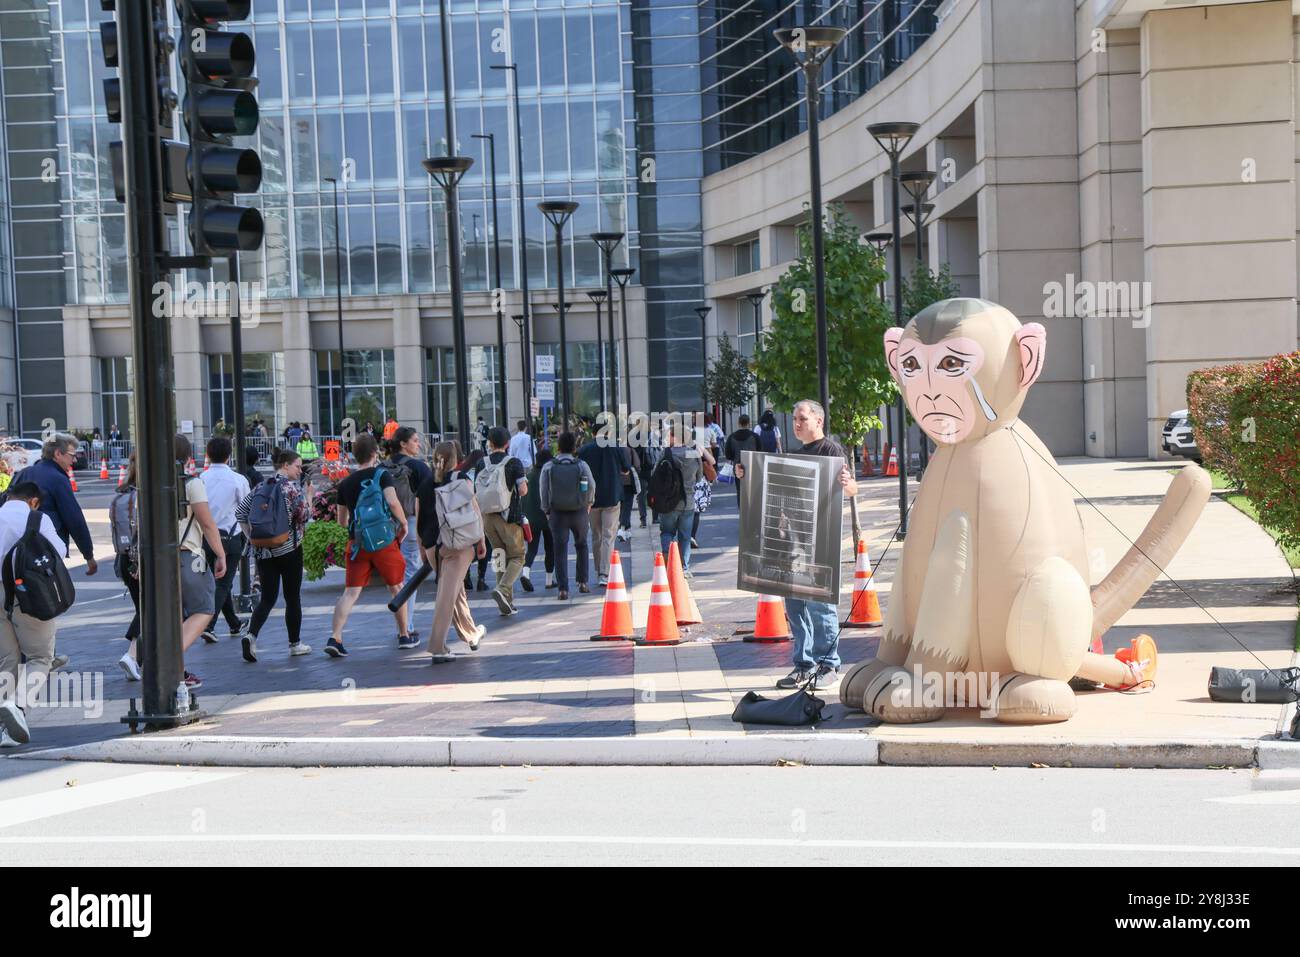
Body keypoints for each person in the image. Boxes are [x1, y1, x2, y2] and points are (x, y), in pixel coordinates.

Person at [735, 400, 857, 691]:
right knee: (796, 606)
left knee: (820, 606)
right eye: (794, 419)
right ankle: (804, 665)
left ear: (819, 421)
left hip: (819, 543)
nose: (796, 424)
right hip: (793, 541)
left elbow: (853, 489)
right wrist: (745, 474)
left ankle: (828, 665)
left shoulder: (832, 451)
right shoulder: (796, 455)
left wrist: (846, 484)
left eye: (802, 418)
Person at [118, 434, 227, 689]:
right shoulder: (191, 484)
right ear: (188, 457)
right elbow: (207, 523)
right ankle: (168, 661)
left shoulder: (147, 484)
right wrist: (220, 553)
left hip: (153, 559)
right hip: (186, 556)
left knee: (167, 614)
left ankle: (136, 655)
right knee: (204, 609)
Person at [325, 433, 411, 657]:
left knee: (350, 592)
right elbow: (392, 502)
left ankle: (335, 638)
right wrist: (403, 523)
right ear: (375, 453)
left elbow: (342, 521)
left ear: (355, 455)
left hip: (358, 542)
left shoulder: (345, 484)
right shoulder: (382, 475)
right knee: (396, 588)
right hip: (384, 540)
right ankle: (404, 635)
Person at [0, 480, 70, 747]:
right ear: (34, 501)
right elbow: (60, 552)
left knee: (8, 659)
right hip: (25, 592)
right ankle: (17, 707)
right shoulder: (37, 519)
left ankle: (5, 728)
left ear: (9, 496)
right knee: (41, 656)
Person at [235, 448, 311, 661]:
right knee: (292, 597)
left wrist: (252, 538)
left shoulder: (261, 486)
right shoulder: (291, 489)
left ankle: (251, 635)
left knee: (267, 598)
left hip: (263, 551)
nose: (300, 470)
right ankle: (295, 644)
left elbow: (240, 512)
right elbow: (303, 516)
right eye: (297, 465)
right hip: (289, 549)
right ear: (285, 465)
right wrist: (310, 497)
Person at [417, 440, 486, 662]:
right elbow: (475, 512)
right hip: (458, 543)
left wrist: (422, 546)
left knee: (456, 592)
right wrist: (481, 540)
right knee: (447, 595)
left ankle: (471, 633)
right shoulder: (461, 479)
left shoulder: (426, 483)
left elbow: (419, 519)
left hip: (432, 546)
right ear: (456, 459)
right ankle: (438, 647)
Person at [11, 433, 97, 580]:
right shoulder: (58, 479)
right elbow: (74, 518)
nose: (74, 460)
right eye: (72, 455)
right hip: (45, 551)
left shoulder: (23, 474)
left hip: (16, 548)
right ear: (58, 454)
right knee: (47, 596)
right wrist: (88, 555)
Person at [198, 436, 250, 643]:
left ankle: (234, 623)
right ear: (229, 456)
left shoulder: (200, 479)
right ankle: (208, 625)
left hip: (204, 537)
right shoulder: (238, 480)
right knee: (223, 582)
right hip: (230, 536)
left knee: (218, 581)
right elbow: (246, 510)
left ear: (208, 455)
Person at [383, 427, 433, 640]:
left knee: (395, 577)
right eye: (414, 440)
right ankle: (407, 626)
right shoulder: (419, 467)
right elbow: (430, 497)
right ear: (403, 444)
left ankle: (403, 624)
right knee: (410, 574)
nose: (418, 444)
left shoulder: (382, 466)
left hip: (387, 525)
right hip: (411, 523)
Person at [477, 426, 528, 615]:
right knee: (517, 556)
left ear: (489, 443)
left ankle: (506, 602)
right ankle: (503, 589)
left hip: (488, 518)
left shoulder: (481, 463)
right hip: (509, 516)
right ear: (507, 444)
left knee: (499, 554)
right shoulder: (513, 463)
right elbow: (522, 490)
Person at [539, 431, 595, 600]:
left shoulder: (549, 466)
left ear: (559, 447)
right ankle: (583, 582)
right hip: (579, 512)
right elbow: (591, 485)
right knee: (582, 545)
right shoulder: (581, 465)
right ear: (574, 447)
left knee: (560, 549)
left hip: (557, 513)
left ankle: (563, 589)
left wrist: (546, 509)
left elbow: (543, 490)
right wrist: (589, 503)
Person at [653, 421, 707, 576]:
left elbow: (655, 475)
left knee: (667, 532)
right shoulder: (693, 454)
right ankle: (684, 568)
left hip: (668, 502)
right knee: (685, 536)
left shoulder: (666, 453)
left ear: (673, 436)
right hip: (688, 501)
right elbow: (699, 478)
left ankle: (668, 563)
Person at [578, 432, 629, 586]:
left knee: (596, 535)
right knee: (608, 535)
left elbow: (581, 475)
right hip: (612, 497)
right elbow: (626, 469)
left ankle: (597, 569)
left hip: (592, 500)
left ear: (593, 433)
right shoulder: (616, 447)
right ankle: (604, 573)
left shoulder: (585, 450)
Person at [521, 448, 555, 590]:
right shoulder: (549, 474)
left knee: (532, 549)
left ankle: (525, 573)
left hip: (531, 519)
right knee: (550, 548)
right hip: (548, 517)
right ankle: (549, 580)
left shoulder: (529, 475)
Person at [724, 413, 763, 502]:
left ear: (738, 423)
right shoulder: (754, 436)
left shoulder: (732, 437)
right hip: (753, 465)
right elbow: (760, 451)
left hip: (738, 466)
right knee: (753, 489)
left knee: (739, 490)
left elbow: (728, 455)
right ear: (749, 423)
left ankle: (742, 510)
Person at [616, 444, 645, 542]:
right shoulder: (630, 450)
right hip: (628, 482)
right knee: (627, 506)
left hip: (617, 482)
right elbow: (637, 465)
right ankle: (622, 528)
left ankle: (627, 530)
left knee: (620, 506)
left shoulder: (613, 450)